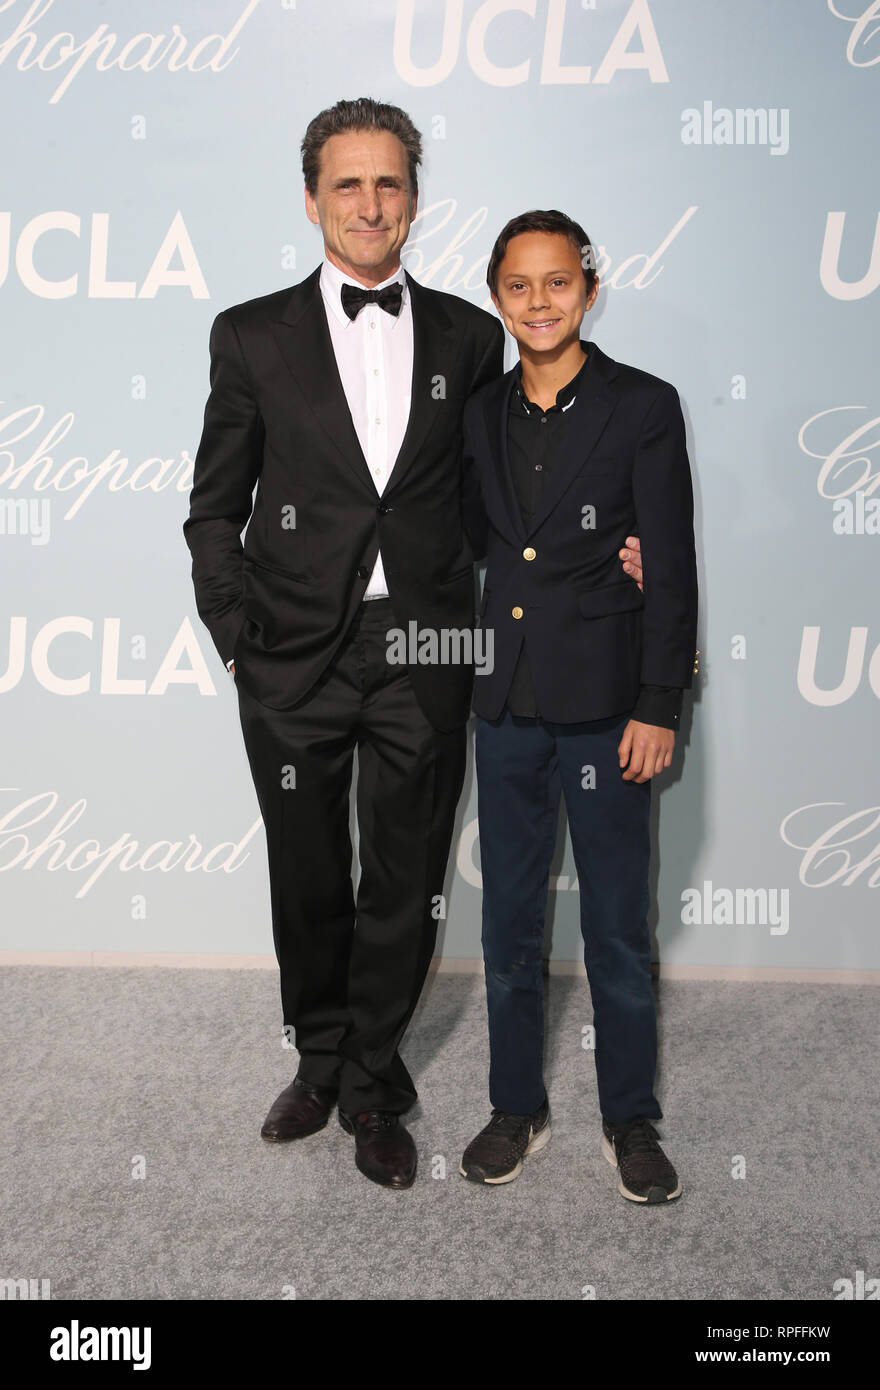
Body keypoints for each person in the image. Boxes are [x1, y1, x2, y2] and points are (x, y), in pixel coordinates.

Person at [184, 103, 645, 1190]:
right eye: (347, 185)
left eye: (388, 184)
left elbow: (501, 497)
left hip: (429, 643)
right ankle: (318, 1055)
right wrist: (236, 635)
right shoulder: (249, 335)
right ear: (312, 199)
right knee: (308, 874)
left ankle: (374, 1082)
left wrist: (604, 552)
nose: (369, 204)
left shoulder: (466, 335)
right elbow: (213, 507)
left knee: (405, 876)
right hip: (292, 651)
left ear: (414, 200)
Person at [458, 210, 698, 1204]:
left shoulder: (643, 404)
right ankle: (515, 1103)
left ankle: (629, 1115)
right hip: (505, 705)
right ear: (497, 297)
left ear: (590, 291)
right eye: (519, 285)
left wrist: (656, 702)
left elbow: (672, 563)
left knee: (616, 929)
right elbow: (468, 538)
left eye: (558, 283)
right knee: (508, 924)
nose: (539, 301)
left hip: (607, 707)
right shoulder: (475, 411)